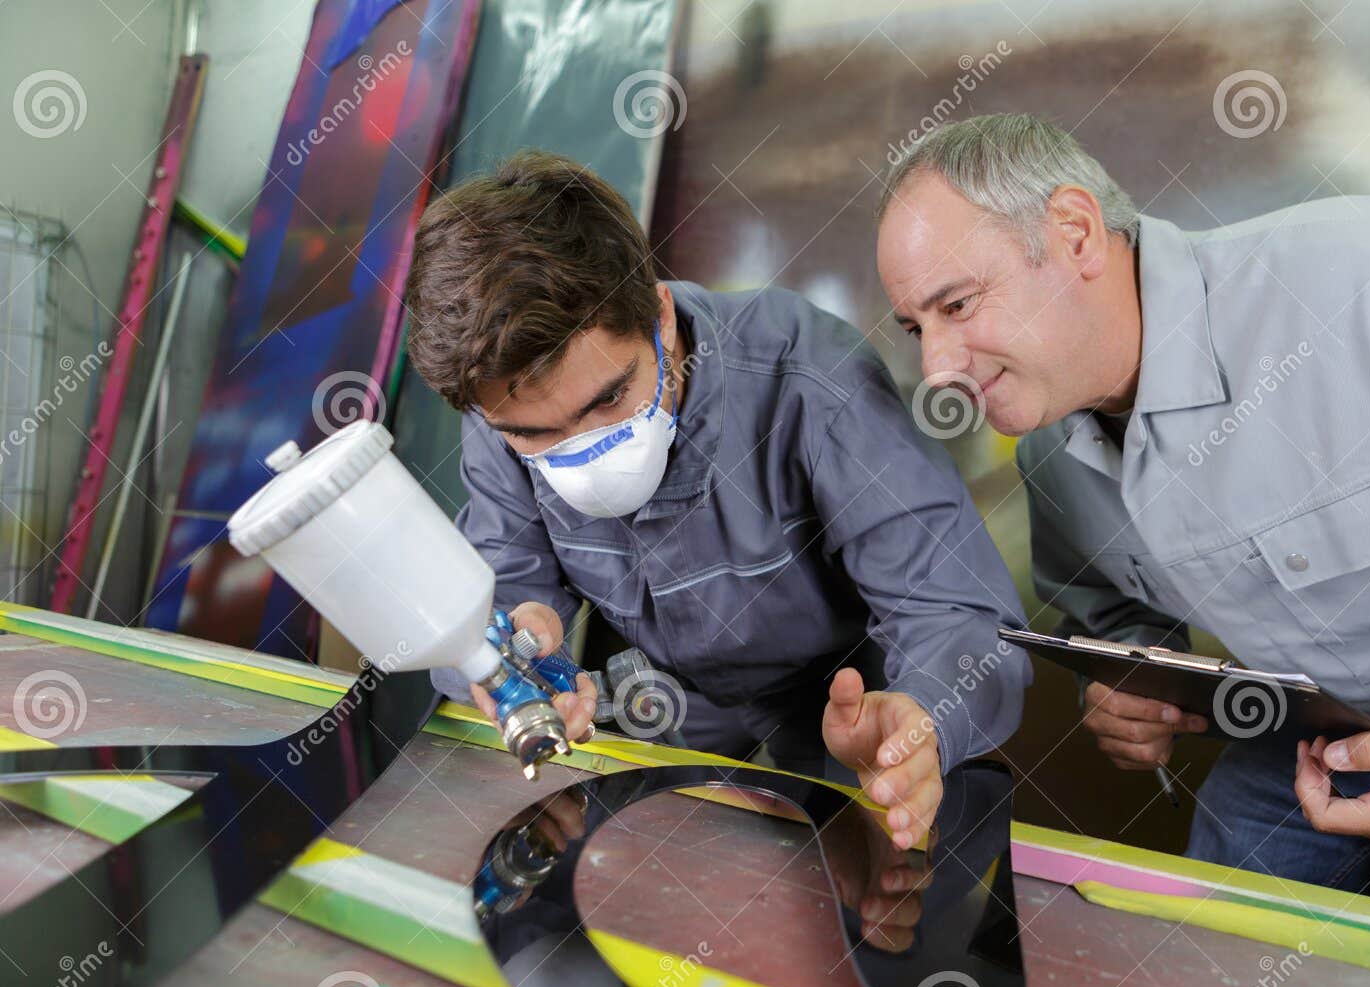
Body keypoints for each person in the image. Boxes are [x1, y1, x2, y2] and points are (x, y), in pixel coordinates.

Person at [875, 112, 1370, 939]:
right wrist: (1127, 685)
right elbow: (1110, 613)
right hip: (1313, 746)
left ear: (1074, 233)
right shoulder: (1050, 444)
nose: (937, 367)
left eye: (958, 304)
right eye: (915, 327)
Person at [403, 150, 1030, 848]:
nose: (586, 449)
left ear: (661, 319)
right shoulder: (500, 404)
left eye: (609, 397)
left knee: (874, 904)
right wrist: (512, 649)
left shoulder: (808, 376)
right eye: (538, 435)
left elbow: (955, 612)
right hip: (675, 708)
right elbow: (495, 595)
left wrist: (926, 720)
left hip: (858, 704)